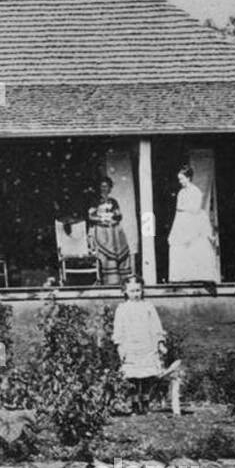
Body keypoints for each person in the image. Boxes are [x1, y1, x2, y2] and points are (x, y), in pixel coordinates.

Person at [112, 276, 172, 413]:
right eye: (132, 291)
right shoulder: (122, 309)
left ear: (142, 290)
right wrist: (119, 345)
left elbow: (156, 325)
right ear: (125, 291)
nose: (136, 294)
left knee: (146, 376)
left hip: (147, 345)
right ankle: (134, 404)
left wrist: (160, 342)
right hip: (130, 346)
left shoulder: (148, 307)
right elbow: (118, 328)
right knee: (132, 376)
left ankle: (145, 402)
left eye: (138, 290)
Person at [167, 164, 218, 282]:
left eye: (182, 178)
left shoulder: (196, 192)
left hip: (194, 221)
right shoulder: (181, 192)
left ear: (188, 178)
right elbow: (178, 209)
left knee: (196, 246)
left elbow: (195, 209)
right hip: (182, 222)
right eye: (179, 179)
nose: (180, 181)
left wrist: (185, 210)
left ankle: (197, 276)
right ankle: (183, 276)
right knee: (180, 247)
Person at [88, 177, 132, 285]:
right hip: (102, 230)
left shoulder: (113, 201)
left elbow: (118, 215)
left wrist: (113, 215)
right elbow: (91, 216)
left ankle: (123, 280)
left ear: (110, 188)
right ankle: (110, 281)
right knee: (106, 255)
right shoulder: (95, 201)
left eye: (106, 186)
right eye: (102, 186)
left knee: (121, 250)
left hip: (114, 232)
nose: (104, 189)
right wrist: (102, 218)